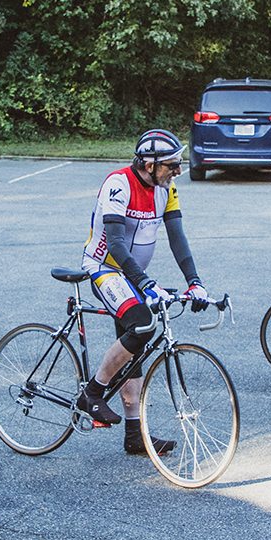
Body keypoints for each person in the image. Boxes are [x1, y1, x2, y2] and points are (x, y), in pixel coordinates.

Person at [77, 130, 213, 455]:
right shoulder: (118, 184)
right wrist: (146, 283)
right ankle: (92, 394)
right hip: (105, 268)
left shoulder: (167, 188)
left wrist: (195, 281)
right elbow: (115, 244)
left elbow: (177, 237)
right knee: (141, 324)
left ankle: (135, 435)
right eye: (171, 165)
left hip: (133, 276)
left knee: (135, 347)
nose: (178, 171)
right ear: (149, 164)